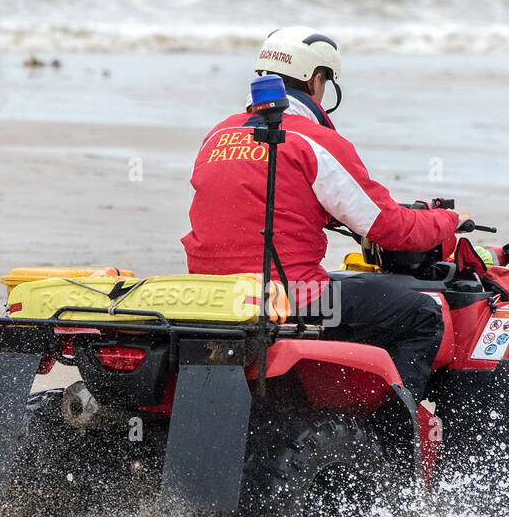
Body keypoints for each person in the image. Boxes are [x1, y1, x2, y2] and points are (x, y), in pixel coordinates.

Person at [183, 27, 470, 401]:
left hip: (214, 295)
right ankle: (395, 444)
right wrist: (448, 220)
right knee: (422, 315)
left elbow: (260, 201)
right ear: (317, 79)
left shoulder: (218, 135)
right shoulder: (313, 141)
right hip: (290, 296)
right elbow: (391, 227)